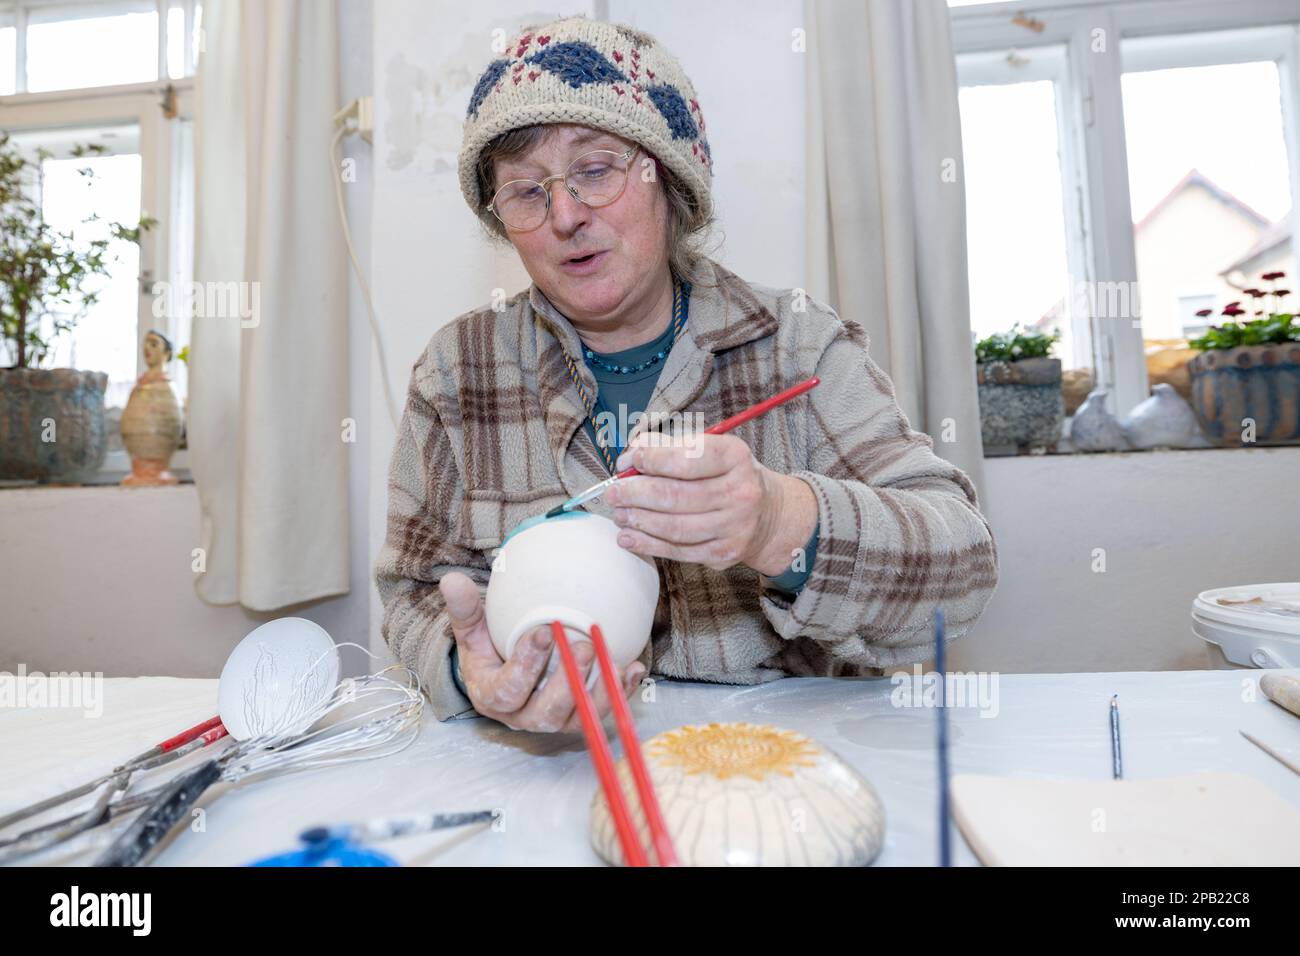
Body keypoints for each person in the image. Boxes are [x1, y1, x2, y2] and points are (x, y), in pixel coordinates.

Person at [374, 14, 997, 731]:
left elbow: (964, 568)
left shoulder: (797, 345)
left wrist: (779, 523)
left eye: (595, 170)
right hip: (549, 770)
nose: (565, 215)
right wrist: (470, 671)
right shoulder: (459, 372)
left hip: (781, 765)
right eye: (525, 190)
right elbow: (413, 590)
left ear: (669, 180)